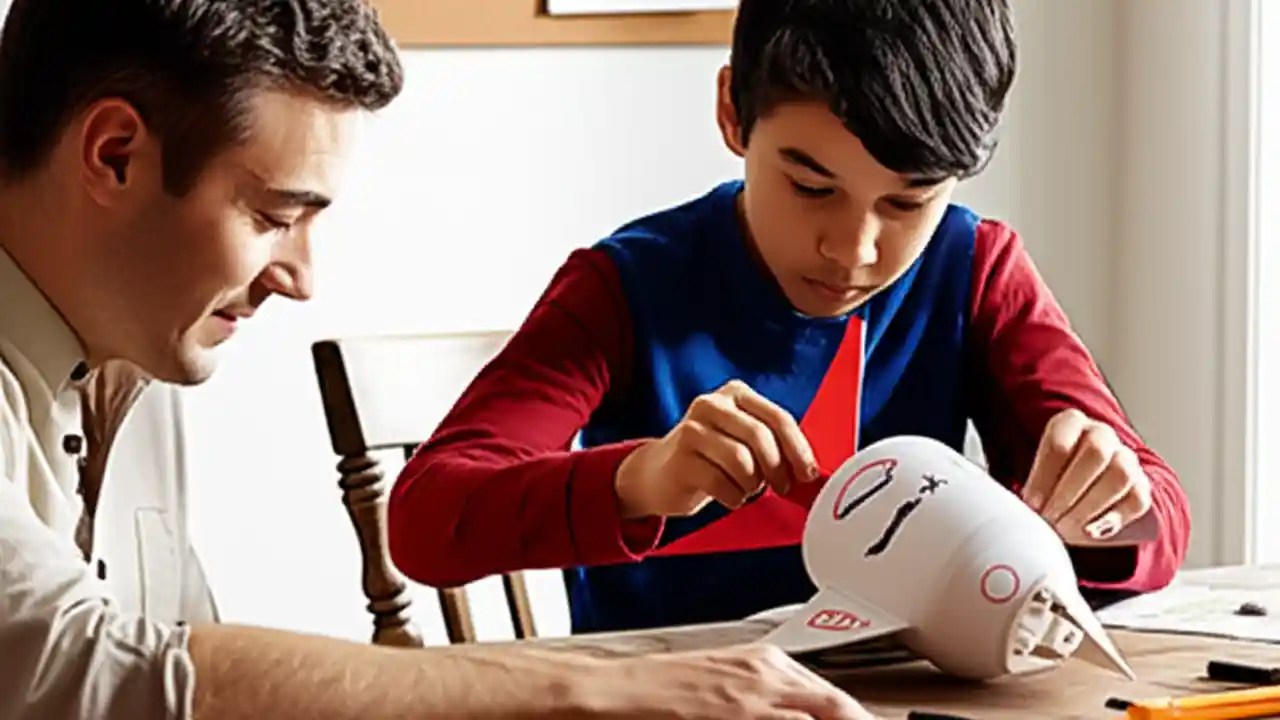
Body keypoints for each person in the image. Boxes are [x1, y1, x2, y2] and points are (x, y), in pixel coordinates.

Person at [0, 1, 873, 718]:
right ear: (114, 155)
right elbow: (87, 670)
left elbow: (171, 671)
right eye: (274, 217)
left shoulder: (136, 355)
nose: (301, 277)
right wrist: (596, 688)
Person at [387, 0, 1192, 636]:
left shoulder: (975, 268)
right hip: (670, 699)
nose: (854, 251)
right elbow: (425, 521)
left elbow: (1160, 520)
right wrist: (643, 480)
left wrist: (1108, 502)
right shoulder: (624, 286)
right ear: (733, 114)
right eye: (811, 187)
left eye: (908, 202)